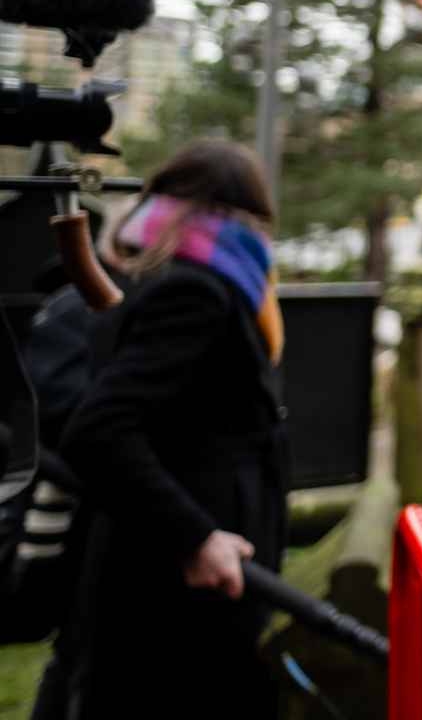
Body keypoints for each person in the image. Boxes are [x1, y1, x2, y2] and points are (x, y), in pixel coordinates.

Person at [50, 139, 289, 718]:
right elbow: (100, 429)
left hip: (165, 581)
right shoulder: (194, 290)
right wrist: (196, 537)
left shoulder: (156, 275)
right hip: (177, 597)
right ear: (239, 215)